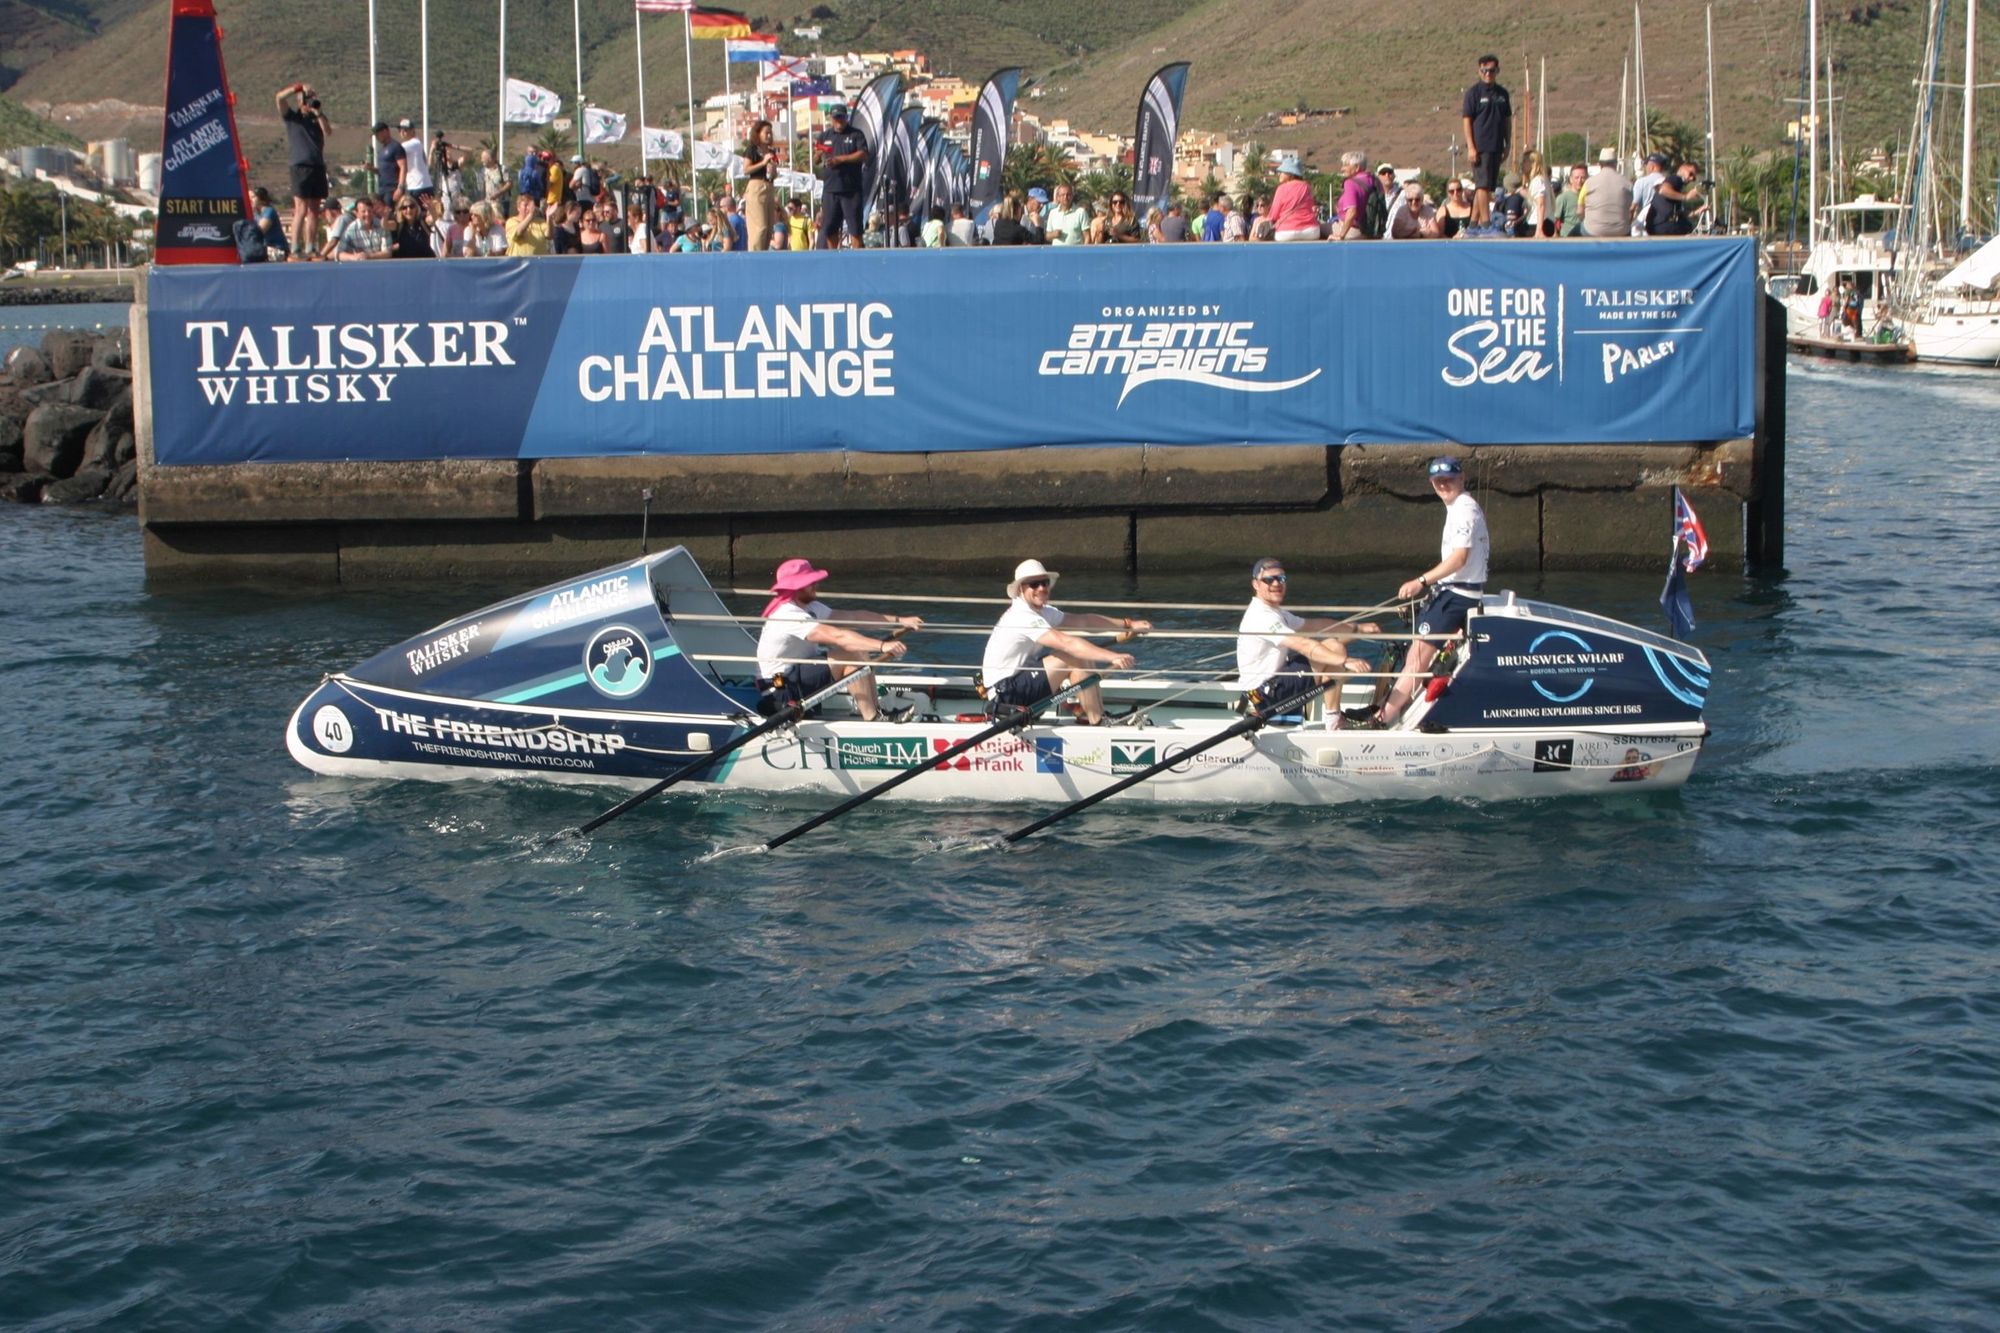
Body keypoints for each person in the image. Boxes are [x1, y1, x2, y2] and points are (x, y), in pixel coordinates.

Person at [1371, 456, 1491, 727]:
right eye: (1438, 481)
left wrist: (1421, 581)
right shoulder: (1460, 507)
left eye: (1449, 479)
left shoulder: (1464, 511)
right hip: (1454, 592)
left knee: (1417, 658)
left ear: (1462, 478)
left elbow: (1459, 559)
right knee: (1417, 654)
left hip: (1457, 597)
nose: (1443, 485)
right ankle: (1395, 708)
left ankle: (1383, 719)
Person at [981, 560, 1150, 727]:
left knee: (1080, 656)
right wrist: (1112, 657)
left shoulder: (1043, 611)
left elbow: (1084, 622)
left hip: (1017, 685)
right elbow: (1066, 643)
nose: (1042, 588)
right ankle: (1098, 721)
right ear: (1020, 589)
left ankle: (1096, 715)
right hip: (1005, 696)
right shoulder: (1022, 615)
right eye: (1034, 584)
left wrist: (1128, 624)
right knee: (1074, 655)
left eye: (1045, 583)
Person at [755, 559, 921, 722]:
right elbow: (838, 637)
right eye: (810, 583)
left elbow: (855, 617)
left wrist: (899, 620)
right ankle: (873, 717)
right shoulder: (787, 614)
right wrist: (882, 646)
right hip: (780, 688)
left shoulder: (811, 608)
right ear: (796, 588)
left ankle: (876, 712)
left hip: (797, 676)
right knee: (851, 653)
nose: (816, 585)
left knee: (857, 654)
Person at [1236, 558, 1378, 715]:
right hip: (1261, 697)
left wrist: (1358, 628)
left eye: (1281, 578)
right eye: (1269, 580)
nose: (1276, 584)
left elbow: (1318, 625)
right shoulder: (1261, 616)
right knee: (1334, 649)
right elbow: (1303, 645)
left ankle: (1334, 717)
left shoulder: (1277, 613)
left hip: (1270, 688)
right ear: (1256, 584)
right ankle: (1333, 719)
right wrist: (1345, 661)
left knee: (1332, 646)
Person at [275, 81, 330, 257]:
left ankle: (310, 247)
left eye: (311, 100)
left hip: (317, 166)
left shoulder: (318, 118)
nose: (309, 103)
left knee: (314, 209)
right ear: (300, 102)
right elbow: (279, 98)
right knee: (301, 208)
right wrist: (298, 88)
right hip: (300, 166)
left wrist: (318, 112)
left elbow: (328, 132)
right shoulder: (292, 118)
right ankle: (295, 248)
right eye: (306, 100)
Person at [1461, 54, 1512, 225]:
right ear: (1479, 71)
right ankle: (1485, 222)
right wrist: (1471, 147)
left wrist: (1508, 144)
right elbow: (1467, 120)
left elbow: (1507, 120)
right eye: (1484, 71)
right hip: (1480, 146)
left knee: (1487, 186)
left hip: (1497, 145)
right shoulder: (1473, 93)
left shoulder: (1503, 94)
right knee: (1482, 185)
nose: (1488, 74)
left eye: (1491, 70)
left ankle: (1473, 222)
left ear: (1497, 71)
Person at [815, 101, 869, 249]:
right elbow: (816, 159)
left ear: (846, 117)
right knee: (830, 229)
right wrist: (818, 155)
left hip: (851, 189)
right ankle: (833, 259)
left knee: (855, 229)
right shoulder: (824, 136)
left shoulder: (856, 134)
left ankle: (857, 258)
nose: (839, 121)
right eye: (836, 118)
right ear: (831, 118)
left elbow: (863, 154)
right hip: (830, 189)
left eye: (842, 117)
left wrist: (840, 159)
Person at [739, 119, 780, 252]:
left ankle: (763, 254)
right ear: (758, 134)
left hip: (769, 186)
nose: (769, 135)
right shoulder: (752, 150)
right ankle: (754, 255)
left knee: (769, 228)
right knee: (760, 227)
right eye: (766, 132)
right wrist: (763, 163)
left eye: (770, 133)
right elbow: (746, 169)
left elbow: (773, 173)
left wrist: (773, 171)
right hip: (756, 186)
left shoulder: (771, 151)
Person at [1328, 150, 1383, 240]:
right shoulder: (1374, 181)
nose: (1342, 169)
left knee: (1317, 229)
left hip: (1352, 231)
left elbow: (1352, 212)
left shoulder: (1350, 183)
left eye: (1346, 165)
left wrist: (1341, 236)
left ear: (1357, 167)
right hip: (1371, 231)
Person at [1581, 147, 1632, 240]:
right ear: (1615, 164)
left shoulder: (1588, 182)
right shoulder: (1627, 183)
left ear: (1600, 165)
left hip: (1593, 231)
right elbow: (1632, 209)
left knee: (1575, 230)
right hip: (1621, 230)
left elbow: (1579, 211)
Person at [1268, 154, 1322, 241]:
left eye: (1282, 172)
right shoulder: (1307, 187)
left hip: (1286, 232)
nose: (1279, 174)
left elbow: (1273, 215)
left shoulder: (1281, 189)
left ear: (1290, 174)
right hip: (1311, 231)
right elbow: (1311, 207)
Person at [371, 122, 406, 206]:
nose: (377, 137)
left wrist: (400, 187)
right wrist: (371, 168)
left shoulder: (395, 146)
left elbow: (403, 167)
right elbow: (383, 171)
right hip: (382, 189)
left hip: (392, 188)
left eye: (378, 134)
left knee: (390, 211)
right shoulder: (382, 150)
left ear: (385, 131)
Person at [1045, 181, 1089, 245]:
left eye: (1068, 195)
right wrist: (1053, 234)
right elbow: (1047, 236)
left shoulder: (1080, 212)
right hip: (1056, 251)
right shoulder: (1053, 213)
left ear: (1072, 196)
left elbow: (1087, 236)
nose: (1065, 197)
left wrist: (1084, 250)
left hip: (1075, 251)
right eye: (1063, 195)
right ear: (1058, 197)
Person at [1552, 164, 1588, 237]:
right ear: (1571, 179)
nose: (1579, 181)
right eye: (1576, 178)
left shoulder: (1591, 197)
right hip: (1568, 238)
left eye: (1583, 178)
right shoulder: (1563, 198)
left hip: (1586, 237)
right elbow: (1555, 219)